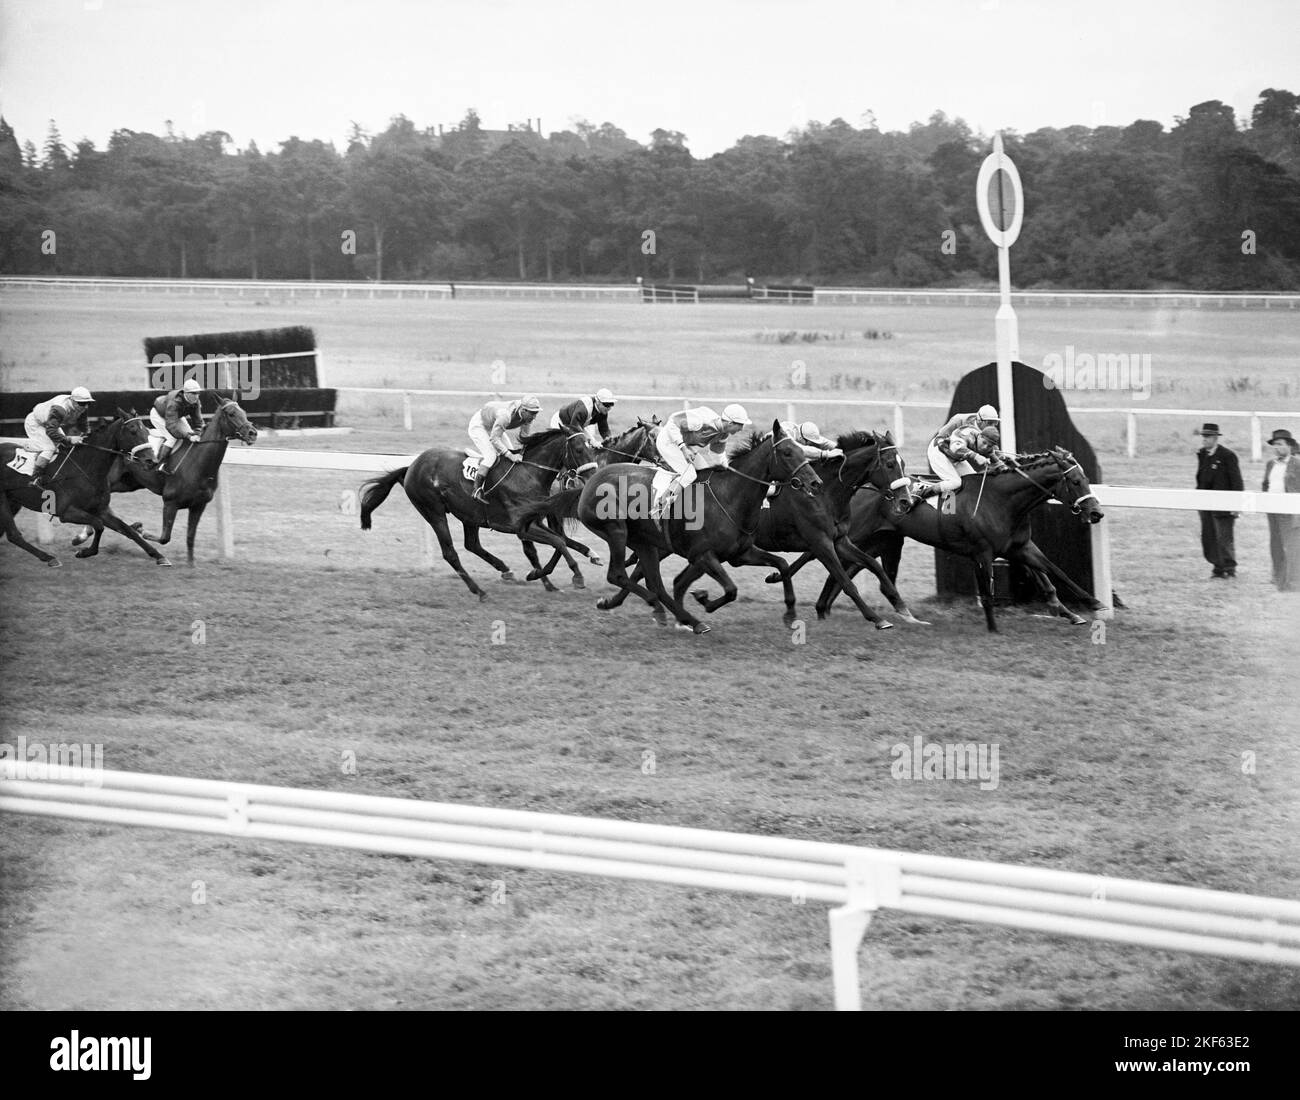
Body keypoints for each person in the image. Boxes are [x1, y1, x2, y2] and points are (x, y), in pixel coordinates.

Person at [653, 403, 751, 515]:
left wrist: (730, 472)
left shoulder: (723, 435)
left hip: (683, 445)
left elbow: (717, 456)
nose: (742, 428)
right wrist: (683, 448)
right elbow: (672, 423)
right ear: (730, 423)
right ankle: (661, 505)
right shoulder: (702, 420)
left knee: (705, 473)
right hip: (667, 441)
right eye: (741, 424)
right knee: (690, 475)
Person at [915, 404, 1001, 501]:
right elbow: (941, 438)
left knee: (974, 481)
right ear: (980, 420)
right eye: (990, 423)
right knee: (955, 482)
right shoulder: (959, 420)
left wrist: (1001, 462)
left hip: (956, 456)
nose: (992, 426)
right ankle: (920, 492)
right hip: (939, 450)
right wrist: (975, 455)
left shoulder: (983, 433)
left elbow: (992, 451)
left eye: (995, 423)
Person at [468, 395, 541, 501]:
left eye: (536, 413)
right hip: (480, 425)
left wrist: (520, 453)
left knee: (510, 453)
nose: (534, 417)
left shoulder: (527, 417)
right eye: (533, 413)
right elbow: (494, 438)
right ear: (523, 410)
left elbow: (524, 437)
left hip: (495, 425)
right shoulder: (505, 415)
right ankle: (476, 490)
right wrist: (510, 455)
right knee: (491, 456)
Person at [1195, 422, 1243, 579]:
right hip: (1205, 502)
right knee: (1209, 536)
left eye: (1208, 436)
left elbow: (1236, 481)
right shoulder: (1202, 454)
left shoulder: (1227, 456)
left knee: (1224, 537)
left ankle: (1229, 568)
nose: (1204, 439)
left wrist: (1236, 504)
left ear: (1215, 438)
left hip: (1223, 503)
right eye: (1203, 436)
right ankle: (1217, 567)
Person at [27, 386, 94, 489]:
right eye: (82, 403)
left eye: (88, 403)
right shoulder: (59, 409)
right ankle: (34, 479)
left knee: (63, 445)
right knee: (50, 448)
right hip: (36, 423)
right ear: (72, 401)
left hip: (50, 424)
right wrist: (69, 439)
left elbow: (83, 425)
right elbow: (51, 431)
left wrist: (89, 435)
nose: (85, 407)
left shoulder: (82, 408)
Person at [1262, 428, 1300, 591]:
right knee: (1275, 545)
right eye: (1274, 445)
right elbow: (1266, 484)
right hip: (1273, 511)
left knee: (1292, 547)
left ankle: (1293, 582)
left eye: (1280, 444)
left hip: (1290, 512)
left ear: (1289, 446)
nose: (1276, 447)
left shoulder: (1297, 464)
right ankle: (1278, 579)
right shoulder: (1271, 464)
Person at [152, 378, 205, 472]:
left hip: (175, 416)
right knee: (172, 438)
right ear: (186, 393)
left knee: (190, 433)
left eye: (198, 393)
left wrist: (197, 433)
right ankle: (160, 464)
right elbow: (171, 426)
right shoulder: (174, 403)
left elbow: (198, 422)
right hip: (158, 415)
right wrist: (188, 436)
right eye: (193, 393)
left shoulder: (196, 401)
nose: (196, 396)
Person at [551, 388, 617, 446]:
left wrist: (611, 441)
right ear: (598, 402)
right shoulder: (584, 409)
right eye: (606, 404)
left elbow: (604, 430)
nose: (609, 408)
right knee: (567, 446)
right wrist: (591, 441)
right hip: (561, 422)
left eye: (611, 404)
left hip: (580, 424)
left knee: (588, 446)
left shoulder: (603, 411)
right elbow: (574, 428)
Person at [775, 420, 844, 460]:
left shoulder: (802, 433)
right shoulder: (785, 433)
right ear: (800, 438)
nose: (810, 446)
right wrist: (826, 454)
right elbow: (800, 450)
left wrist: (841, 449)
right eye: (810, 443)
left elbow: (825, 442)